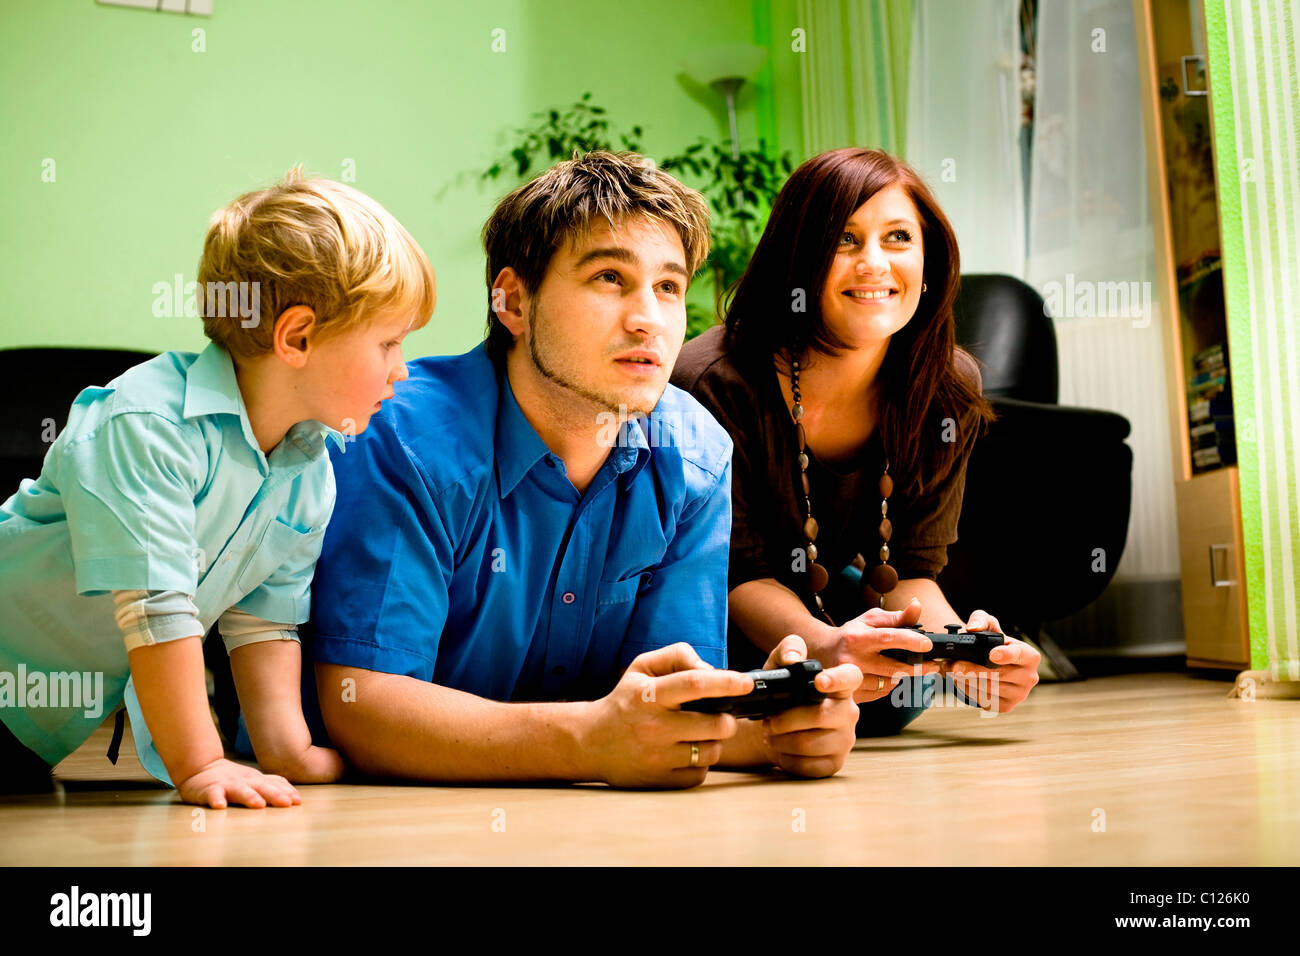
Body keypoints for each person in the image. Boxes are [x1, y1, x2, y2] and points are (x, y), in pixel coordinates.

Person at [307, 151, 863, 787]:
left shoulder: (694, 454)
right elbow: (364, 707)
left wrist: (777, 731)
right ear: (513, 303)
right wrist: (591, 743)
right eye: (608, 278)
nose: (647, 318)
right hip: (346, 817)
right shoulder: (403, 436)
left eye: (669, 287)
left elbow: (671, 701)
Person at [0, 168, 434, 807]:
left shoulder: (309, 470)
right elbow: (156, 609)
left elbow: (266, 622)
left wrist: (287, 751)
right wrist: (202, 764)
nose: (402, 370)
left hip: (33, 728)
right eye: (390, 343)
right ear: (298, 337)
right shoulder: (145, 425)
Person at [672, 147, 1041, 733]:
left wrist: (969, 654)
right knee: (809, 688)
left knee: (900, 686)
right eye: (844, 240)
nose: (874, 263)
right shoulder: (711, 382)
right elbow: (733, 571)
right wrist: (827, 646)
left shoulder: (947, 388)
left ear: (929, 263)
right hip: (718, 617)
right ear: (799, 257)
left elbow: (914, 569)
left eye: (898, 238)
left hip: (834, 605)